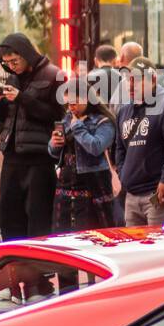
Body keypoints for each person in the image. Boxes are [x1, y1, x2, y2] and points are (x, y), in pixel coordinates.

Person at [0, 33, 66, 240]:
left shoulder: (54, 75)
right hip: (12, 156)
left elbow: (58, 115)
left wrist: (23, 98)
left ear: (26, 54)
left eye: (15, 61)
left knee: (38, 217)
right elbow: (7, 118)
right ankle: (16, 268)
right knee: (10, 217)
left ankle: (40, 269)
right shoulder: (13, 77)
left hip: (39, 158)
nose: (11, 66)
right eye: (6, 63)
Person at [115, 58, 164, 227]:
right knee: (135, 250)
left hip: (159, 192)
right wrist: (123, 176)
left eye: (138, 80)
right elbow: (119, 149)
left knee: (158, 248)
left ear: (153, 80)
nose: (131, 85)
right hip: (132, 194)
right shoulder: (123, 110)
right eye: (128, 79)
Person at [48, 74, 116, 231]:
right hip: (65, 184)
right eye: (68, 103)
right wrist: (54, 144)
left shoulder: (103, 121)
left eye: (75, 102)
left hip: (93, 183)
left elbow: (96, 147)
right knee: (62, 234)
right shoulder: (67, 118)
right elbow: (53, 153)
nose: (71, 107)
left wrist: (77, 127)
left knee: (93, 232)